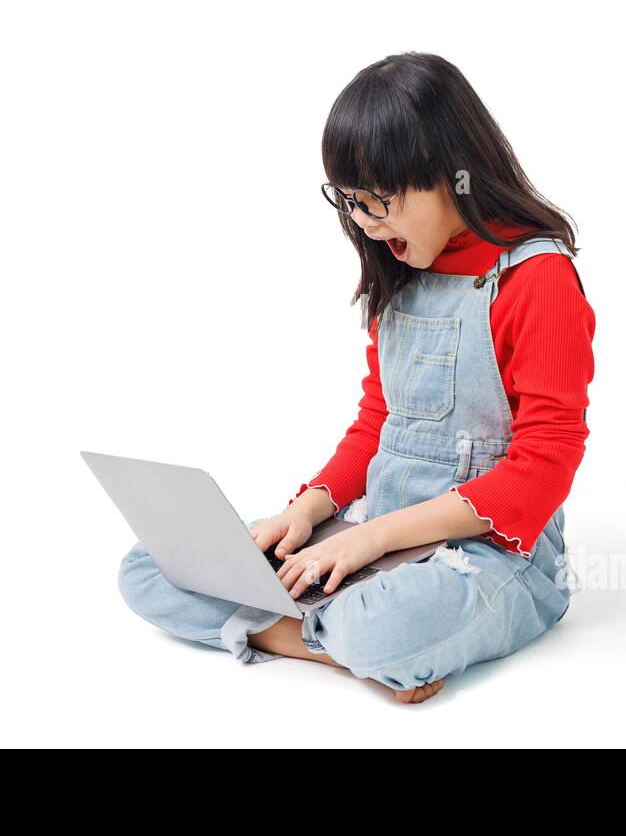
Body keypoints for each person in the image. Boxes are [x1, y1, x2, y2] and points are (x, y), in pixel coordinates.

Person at [119, 52, 596, 704]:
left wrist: (372, 538)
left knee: (386, 625)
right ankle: (338, 648)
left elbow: (547, 461)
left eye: (378, 200)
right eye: (349, 201)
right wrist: (306, 512)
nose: (365, 222)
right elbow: (378, 422)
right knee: (150, 566)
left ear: (451, 174)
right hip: (371, 540)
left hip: (487, 559)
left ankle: (353, 640)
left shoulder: (535, 276)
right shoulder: (399, 275)